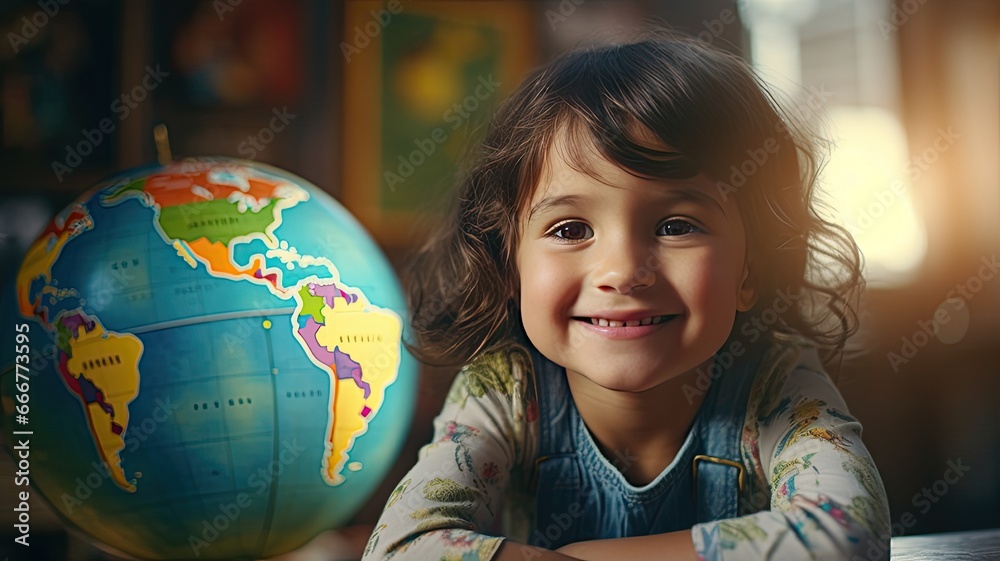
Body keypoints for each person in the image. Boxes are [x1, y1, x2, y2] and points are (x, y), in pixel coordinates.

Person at [361, 31, 891, 561]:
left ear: (749, 268)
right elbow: (399, 549)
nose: (622, 272)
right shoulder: (506, 389)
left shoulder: (775, 381)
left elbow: (849, 536)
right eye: (570, 230)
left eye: (677, 225)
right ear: (508, 268)